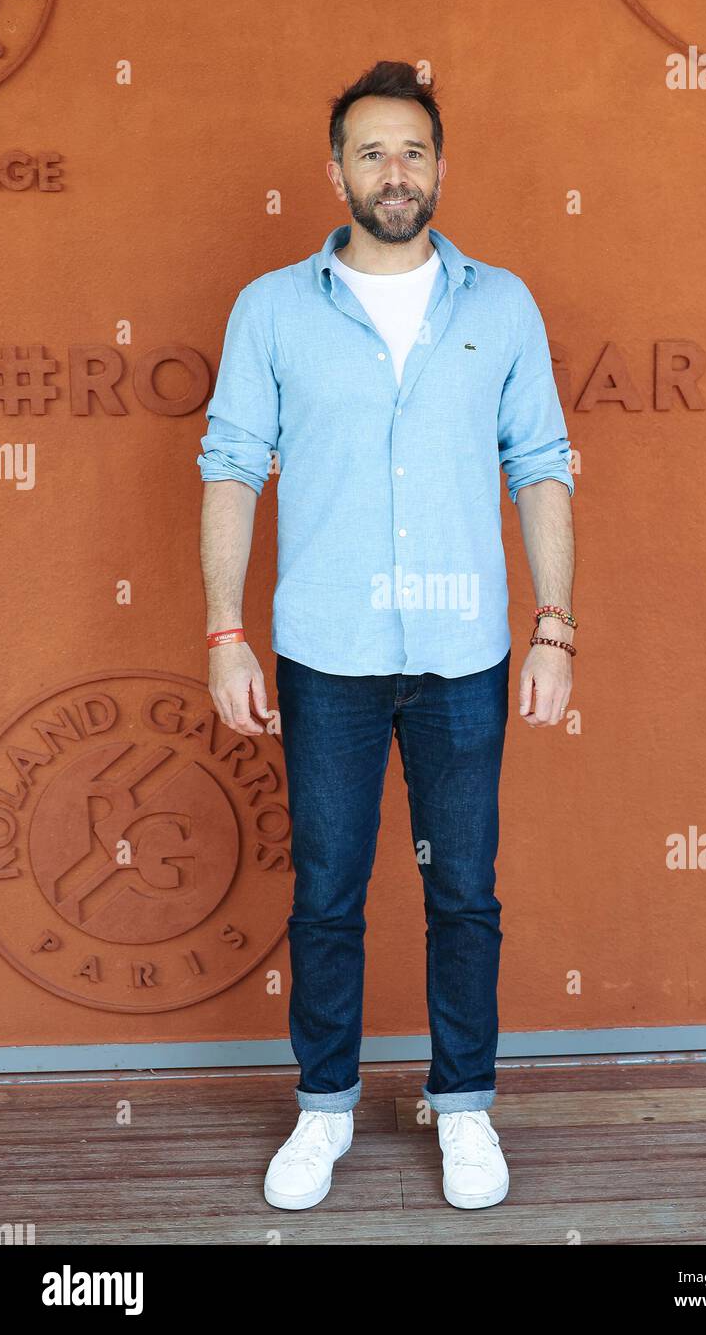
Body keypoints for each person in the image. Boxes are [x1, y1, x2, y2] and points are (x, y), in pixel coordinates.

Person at [196, 59, 577, 1212]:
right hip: (326, 656)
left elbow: (542, 466)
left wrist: (554, 625)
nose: (394, 170)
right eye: (371, 151)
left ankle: (465, 1109)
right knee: (328, 890)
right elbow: (230, 468)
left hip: (465, 654)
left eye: (412, 149)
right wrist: (224, 627)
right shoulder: (270, 308)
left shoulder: (502, 304)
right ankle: (323, 1109)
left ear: (441, 166)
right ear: (337, 170)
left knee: (464, 890)